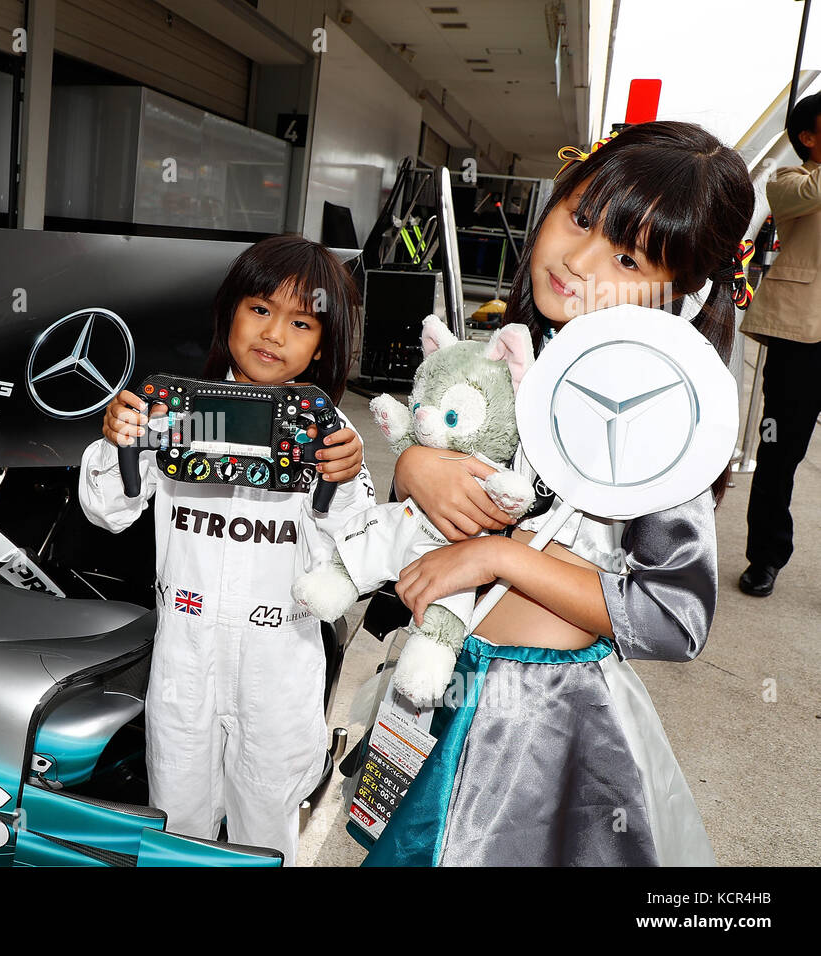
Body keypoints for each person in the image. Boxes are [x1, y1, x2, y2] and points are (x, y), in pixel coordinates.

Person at [364, 121, 753, 866]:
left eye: (627, 257)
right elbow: (422, 530)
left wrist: (498, 558)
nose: (578, 260)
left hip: (542, 723)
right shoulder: (500, 357)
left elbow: (675, 616)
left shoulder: (657, 424)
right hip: (441, 674)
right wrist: (415, 468)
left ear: (680, 294)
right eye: (578, 216)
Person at [78, 235, 375, 864]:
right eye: (259, 309)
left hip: (281, 658)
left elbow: (356, 556)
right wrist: (118, 444)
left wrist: (345, 483)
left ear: (323, 343)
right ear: (229, 314)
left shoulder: (329, 436)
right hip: (184, 651)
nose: (274, 334)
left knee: (267, 822)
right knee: (175, 812)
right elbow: (108, 512)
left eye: (301, 323)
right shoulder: (176, 414)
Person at [737, 93, 821, 597]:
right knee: (778, 453)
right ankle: (765, 557)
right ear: (808, 137)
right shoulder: (789, 181)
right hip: (800, 338)